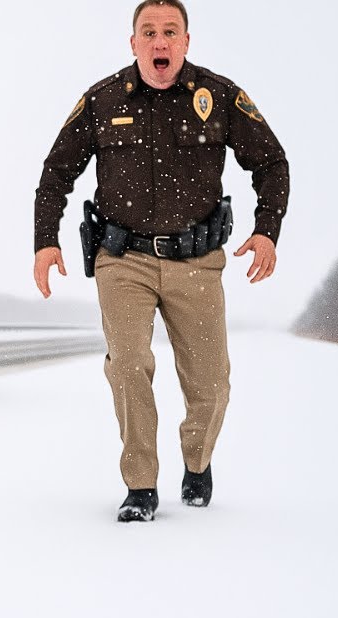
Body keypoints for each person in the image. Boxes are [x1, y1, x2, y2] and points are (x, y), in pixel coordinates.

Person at [32, 0, 289, 521]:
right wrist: (45, 241)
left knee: (212, 382)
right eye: (148, 32)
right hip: (121, 259)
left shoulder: (217, 96)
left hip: (197, 262)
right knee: (127, 366)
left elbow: (270, 161)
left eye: (170, 31)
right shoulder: (103, 100)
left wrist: (267, 232)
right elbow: (57, 171)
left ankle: (197, 463)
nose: (159, 42)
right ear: (133, 44)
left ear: (186, 41)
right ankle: (141, 486)